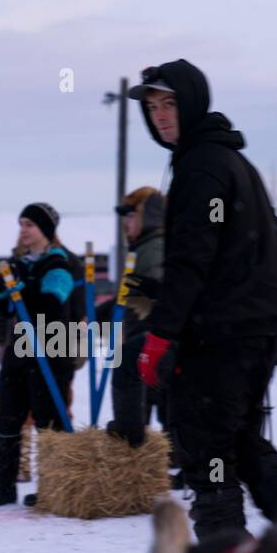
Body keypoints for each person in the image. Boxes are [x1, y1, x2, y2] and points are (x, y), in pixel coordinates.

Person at [130, 60, 277, 548]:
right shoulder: (233, 161)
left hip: (217, 335)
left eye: (169, 104)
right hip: (249, 331)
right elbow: (275, 239)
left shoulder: (200, 165)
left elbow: (191, 258)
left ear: (193, 103)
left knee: (207, 450)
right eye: (152, 107)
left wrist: (161, 334)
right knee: (240, 440)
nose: (160, 116)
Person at [0, 204, 76, 509]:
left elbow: (50, 305)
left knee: (49, 421)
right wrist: (1, 291)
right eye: (21, 224)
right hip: (20, 349)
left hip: (53, 347)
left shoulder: (60, 265)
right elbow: (6, 310)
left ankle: (54, 489)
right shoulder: (18, 264)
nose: (23, 230)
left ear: (46, 230)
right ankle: (0, 487)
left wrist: (20, 289)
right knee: (5, 418)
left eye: (30, 224)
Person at [106, 186, 169, 449]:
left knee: (133, 381)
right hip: (145, 332)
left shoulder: (153, 247)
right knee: (158, 401)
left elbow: (154, 294)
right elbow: (127, 298)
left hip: (152, 334)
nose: (126, 223)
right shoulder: (141, 247)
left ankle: (129, 435)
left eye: (132, 216)